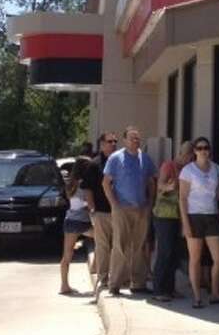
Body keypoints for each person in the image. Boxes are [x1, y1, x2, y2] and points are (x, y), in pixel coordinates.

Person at [102, 125, 157, 296]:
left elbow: (151, 182)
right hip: (122, 209)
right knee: (120, 245)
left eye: (138, 138)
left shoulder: (145, 159)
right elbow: (106, 183)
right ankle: (115, 284)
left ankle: (138, 283)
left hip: (141, 209)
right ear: (125, 140)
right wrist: (114, 206)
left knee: (139, 246)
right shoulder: (115, 159)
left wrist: (150, 203)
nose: (136, 141)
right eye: (132, 138)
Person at [179, 137, 219, 307]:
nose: (203, 151)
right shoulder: (187, 170)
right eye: (199, 148)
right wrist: (185, 223)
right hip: (194, 216)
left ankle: (215, 292)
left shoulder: (216, 169)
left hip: (212, 215)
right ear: (194, 151)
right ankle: (197, 296)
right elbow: (183, 198)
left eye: (206, 147)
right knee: (195, 258)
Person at [150, 144, 186, 302]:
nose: (190, 158)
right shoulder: (168, 165)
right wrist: (169, 186)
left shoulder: (186, 169)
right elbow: (160, 185)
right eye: (188, 155)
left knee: (174, 253)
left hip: (178, 215)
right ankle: (158, 289)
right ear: (180, 153)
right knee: (164, 252)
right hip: (164, 215)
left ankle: (170, 288)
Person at [84, 132, 116, 298]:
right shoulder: (94, 165)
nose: (113, 144)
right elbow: (87, 189)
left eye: (115, 141)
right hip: (101, 212)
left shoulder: (119, 162)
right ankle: (103, 278)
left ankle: (118, 278)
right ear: (102, 144)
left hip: (119, 212)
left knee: (119, 245)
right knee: (103, 246)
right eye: (109, 141)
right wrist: (92, 210)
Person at [59, 157, 94, 296]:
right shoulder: (84, 185)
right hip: (82, 222)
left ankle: (64, 284)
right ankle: (96, 268)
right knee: (104, 240)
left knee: (66, 255)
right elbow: (88, 204)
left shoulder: (70, 184)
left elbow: (74, 203)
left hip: (70, 220)